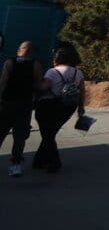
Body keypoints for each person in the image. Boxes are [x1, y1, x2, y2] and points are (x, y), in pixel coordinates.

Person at [32, 43, 85, 174]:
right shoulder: (78, 73)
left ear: (57, 59)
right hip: (68, 107)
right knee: (50, 133)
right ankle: (39, 161)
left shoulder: (52, 71)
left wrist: (35, 82)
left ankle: (54, 162)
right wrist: (81, 108)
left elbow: (43, 87)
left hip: (48, 106)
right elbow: (82, 91)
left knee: (47, 134)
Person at [1, 39, 43, 177]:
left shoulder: (9, 63)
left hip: (7, 103)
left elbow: (3, 83)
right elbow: (38, 85)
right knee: (19, 136)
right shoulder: (35, 65)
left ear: (19, 50)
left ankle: (16, 163)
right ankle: (15, 164)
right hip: (24, 104)